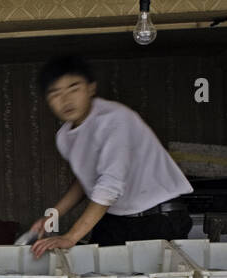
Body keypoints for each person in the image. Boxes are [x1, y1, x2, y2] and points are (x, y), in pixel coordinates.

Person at [30, 55, 193, 257]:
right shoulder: (64, 137)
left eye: (74, 88)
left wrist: (71, 237)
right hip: (115, 217)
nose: (66, 100)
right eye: (55, 94)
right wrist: (53, 215)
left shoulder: (115, 119)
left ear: (91, 88)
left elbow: (109, 185)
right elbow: (86, 180)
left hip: (158, 217)